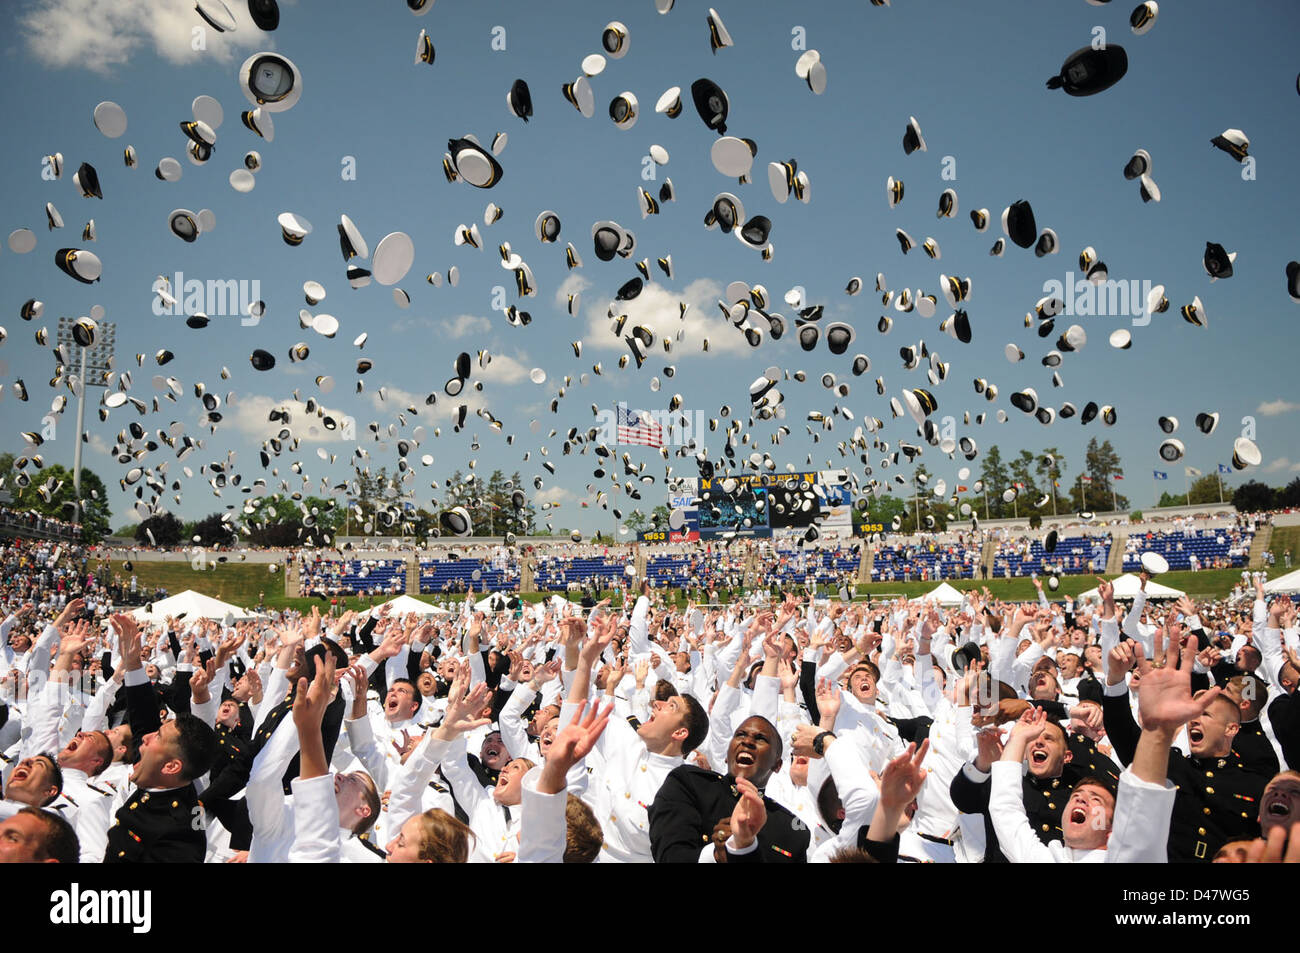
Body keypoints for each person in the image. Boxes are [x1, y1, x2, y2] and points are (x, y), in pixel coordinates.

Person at [102, 613, 217, 863]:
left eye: (157, 736)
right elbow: (144, 717)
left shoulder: (179, 836)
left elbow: (198, 743)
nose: (144, 738)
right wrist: (133, 663)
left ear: (171, 766)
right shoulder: (167, 777)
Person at [649, 715, 809, 862]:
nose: (747, 742)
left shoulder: (792, 832)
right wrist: (715, 855)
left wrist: (746, 849)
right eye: (740, 735)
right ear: (727, 756)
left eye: (761, 738)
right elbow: (668, 855)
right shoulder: (689, 783)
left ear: (777, 765)